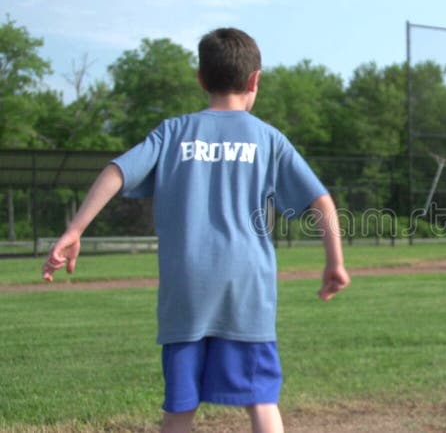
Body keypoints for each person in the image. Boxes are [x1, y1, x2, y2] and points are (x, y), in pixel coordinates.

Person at [41, 28, 350, 433]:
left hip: (187, 286)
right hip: (247, 288)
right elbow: (322, 202)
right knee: (260, 400)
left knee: (180, 408)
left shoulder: (173, 132)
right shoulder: (268, 139)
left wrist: (75, 229)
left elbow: (117, 170)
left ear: (201, 78)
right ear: (255, 80)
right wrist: (335, 262)